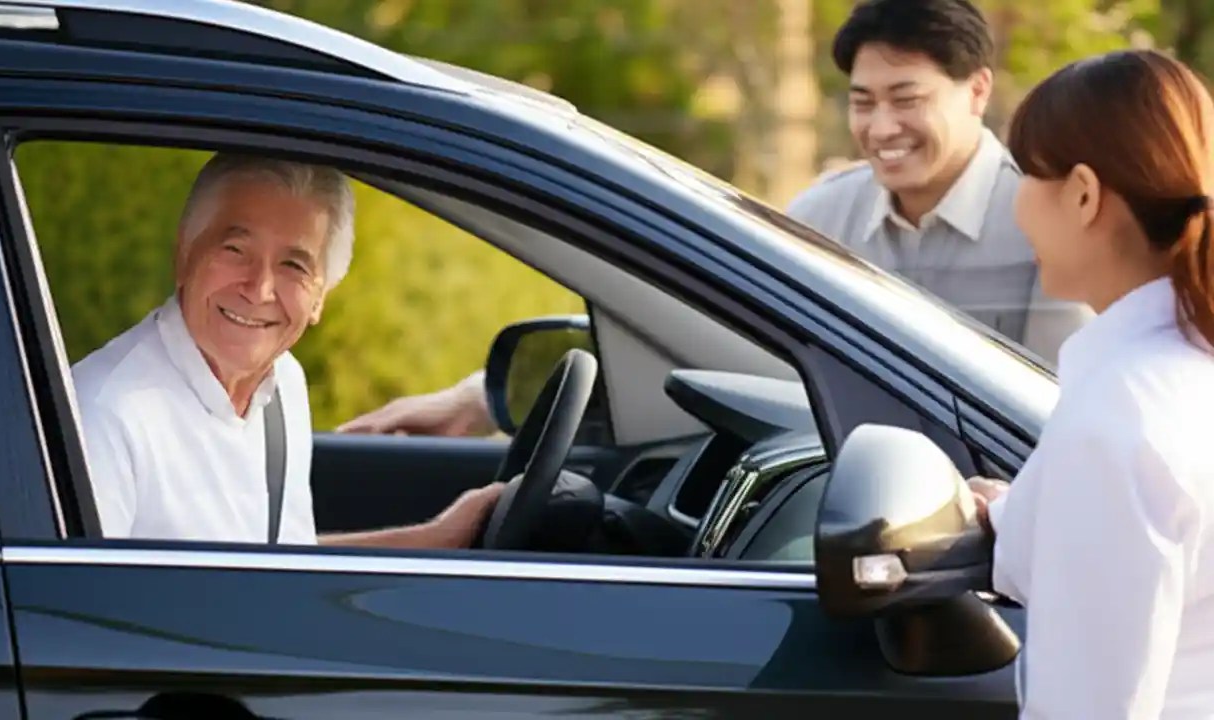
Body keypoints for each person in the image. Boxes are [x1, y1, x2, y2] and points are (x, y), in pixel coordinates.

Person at [335, 0, 1093, 439]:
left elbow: (1062, 424)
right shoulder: (823, 215)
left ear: (978, 90)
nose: (881, 126)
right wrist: (481, 400)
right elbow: (695, 332)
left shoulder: (1043, 215)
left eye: (906, 98)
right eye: (862, 102)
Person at [73, 153, 503, 547]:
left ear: (320, 298)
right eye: (236, 250)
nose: (259, 288)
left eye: (293, 266)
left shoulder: (284, 385)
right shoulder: (106, 416)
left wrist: (438, 539)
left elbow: (284, 570)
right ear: (184, 253)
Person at [969, 50, 1214, 718]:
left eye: (1024, 175)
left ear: (1082, 193)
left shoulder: (1119, 421)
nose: (1015, 205)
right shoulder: (1179, 378)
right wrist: (1016, 509)